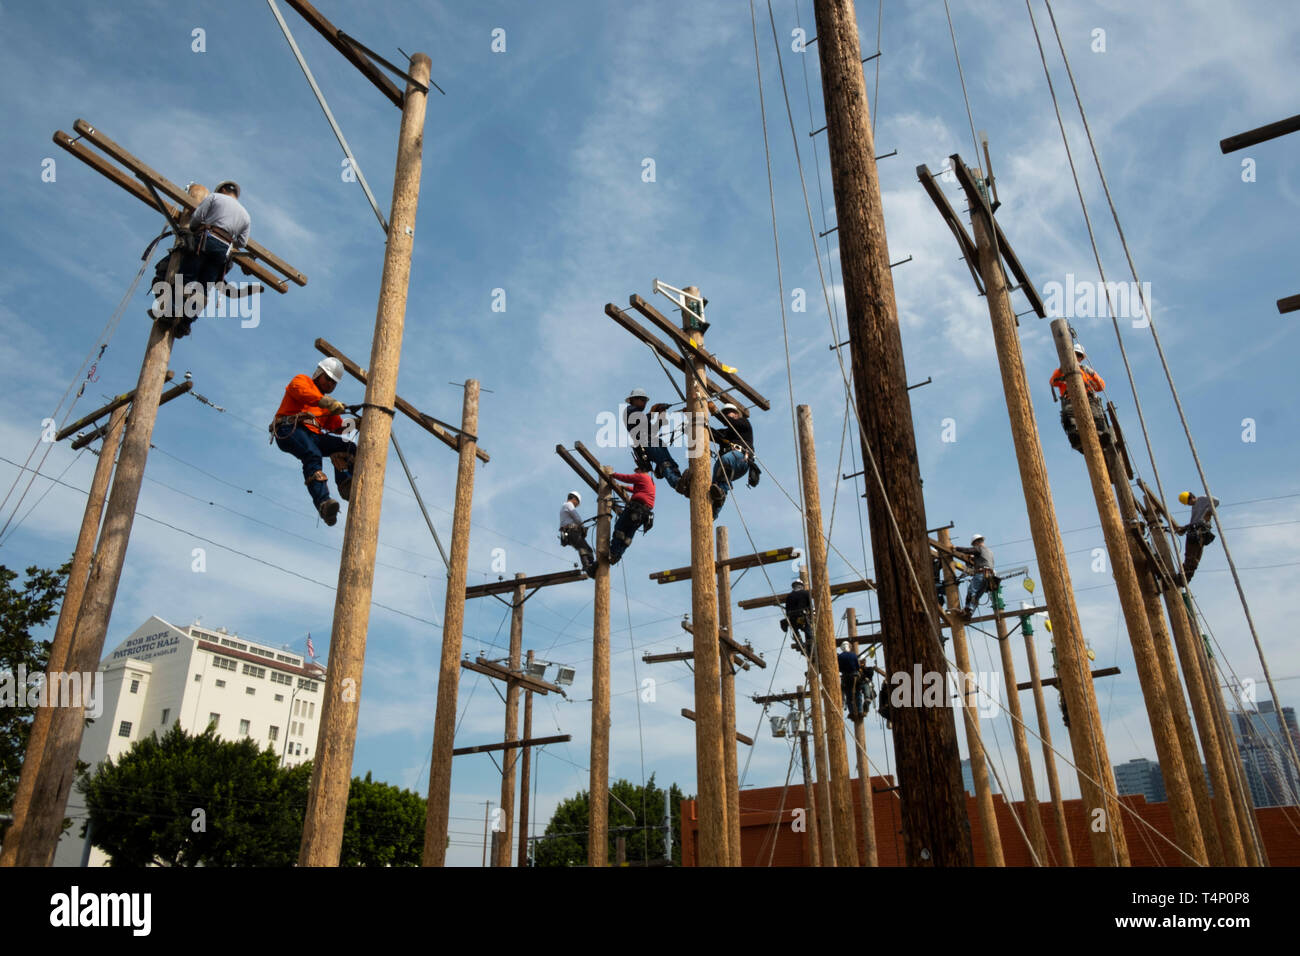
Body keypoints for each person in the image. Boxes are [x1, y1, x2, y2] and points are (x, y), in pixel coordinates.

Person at [270, 357, 355, 526]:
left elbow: (338, 426)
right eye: (328, 379)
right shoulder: (303, 381)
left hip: (313, 437)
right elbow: (300, 391)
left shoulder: (326, 405)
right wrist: (326, 402)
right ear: (319, 374)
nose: (331, 384)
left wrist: (357, 423)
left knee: (348, 447)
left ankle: (346, 482)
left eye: (334, 383)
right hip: (289, 429)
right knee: (312, 454)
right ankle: (324, 504)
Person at [702, 401, 760, 519]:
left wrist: (716, 412)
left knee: (725, 461)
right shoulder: (728, 433)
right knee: (714, 488)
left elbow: (729, 422)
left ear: (736, 414)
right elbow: (712, 433)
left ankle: (721, 493)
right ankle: (713, 513)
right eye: (725, 413)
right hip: (728, 464)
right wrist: (693, 421)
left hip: (741, 459)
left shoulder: (744, 424)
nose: (727, 415)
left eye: (729, 413)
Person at [1050, 343, 1110, 454]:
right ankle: (1076, 437)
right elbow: (1053, 382)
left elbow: (1101, 386)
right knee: (1070, 417)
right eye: (1075, 354)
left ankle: (1101, 435)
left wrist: (1092, 373)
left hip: (1090, 399)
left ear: (1082, 358)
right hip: (1070, 399)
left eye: (1079, 355)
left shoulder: (1086, 372)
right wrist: (1061, 369)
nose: (1077, 357)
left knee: (1096, 416)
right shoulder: (1063, 371)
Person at [623, 388, 683, 491]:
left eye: (645, 401)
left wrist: (660, 419)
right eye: (642, 400)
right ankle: (676, 482)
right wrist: (652, 412)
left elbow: (652, 431)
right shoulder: (629, 410)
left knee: (670, 462)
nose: (644, 403)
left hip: (653, 442)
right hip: (645, 443)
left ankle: (681, 480)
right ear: (634, 400)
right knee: (664, 461)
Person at [608, 462, 656, 564]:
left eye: (637, 470)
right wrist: (626, 488)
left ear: (641, 470)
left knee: (620, 528)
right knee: (629, 534)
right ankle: (618, 555)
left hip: (636, 508)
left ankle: (613, 552)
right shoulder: (650, 481)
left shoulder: (642, 476)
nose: (635, 472)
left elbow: (627, 478)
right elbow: (638, 490)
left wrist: (613, 474)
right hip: (644, 514)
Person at [1176, 490, 1220, 581]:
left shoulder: (1202, 499)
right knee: (1190, 557)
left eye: (1188, 502)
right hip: (1195, 529)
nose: (1188, 505)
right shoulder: (1194, 507)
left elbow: (1216, 501)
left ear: (1191, 497)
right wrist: (1185, 528)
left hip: (1200, 530)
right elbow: (1194, 521)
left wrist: (1209, 512)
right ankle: (1183, 577)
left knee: (1192, 557)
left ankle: (1185, 577)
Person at [954, 533, 996, 618]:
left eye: (974, 545)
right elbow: (981, 560)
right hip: (989, 578)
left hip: (981, 574)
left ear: (976, 542)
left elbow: (968, 550)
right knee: (976, 597)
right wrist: (972, 559)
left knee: (971, 592)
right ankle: (969, 613)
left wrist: (956, 548)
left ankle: (967, 610)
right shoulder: (990, 552)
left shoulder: (979, 549)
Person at [559, 491, 595, 576]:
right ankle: (587, 566)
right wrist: (583, 528)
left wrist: (581, 530)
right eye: (577, 503)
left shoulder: (564, 506)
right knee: (585, 548)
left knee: (587, 549)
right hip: (571, 532)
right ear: (575, 499)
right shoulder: (569, 505)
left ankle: (590, 567)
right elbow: (577, 518)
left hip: (569, 533)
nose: (576, 505)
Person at [780, 579, 813, 651]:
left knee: (795, 630)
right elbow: (810, 606)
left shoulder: (789, 596)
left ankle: (800, 642)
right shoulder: (806, 593)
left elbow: (787, 609)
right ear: (801, 586)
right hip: (802, 616)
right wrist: (811, 614)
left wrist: (788, 617)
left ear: (793, 586)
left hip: (792, 618)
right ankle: (810, 643)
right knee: (807, 630)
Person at [838, 641, 865, 718]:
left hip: (846, 678)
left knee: (849, 696)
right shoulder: (853, 655)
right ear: (848, 647)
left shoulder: (839, 657)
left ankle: (852, 712)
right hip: (855, 676)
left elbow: (839, 668)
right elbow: (857, 666)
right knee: (858, 694)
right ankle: (860, 711)